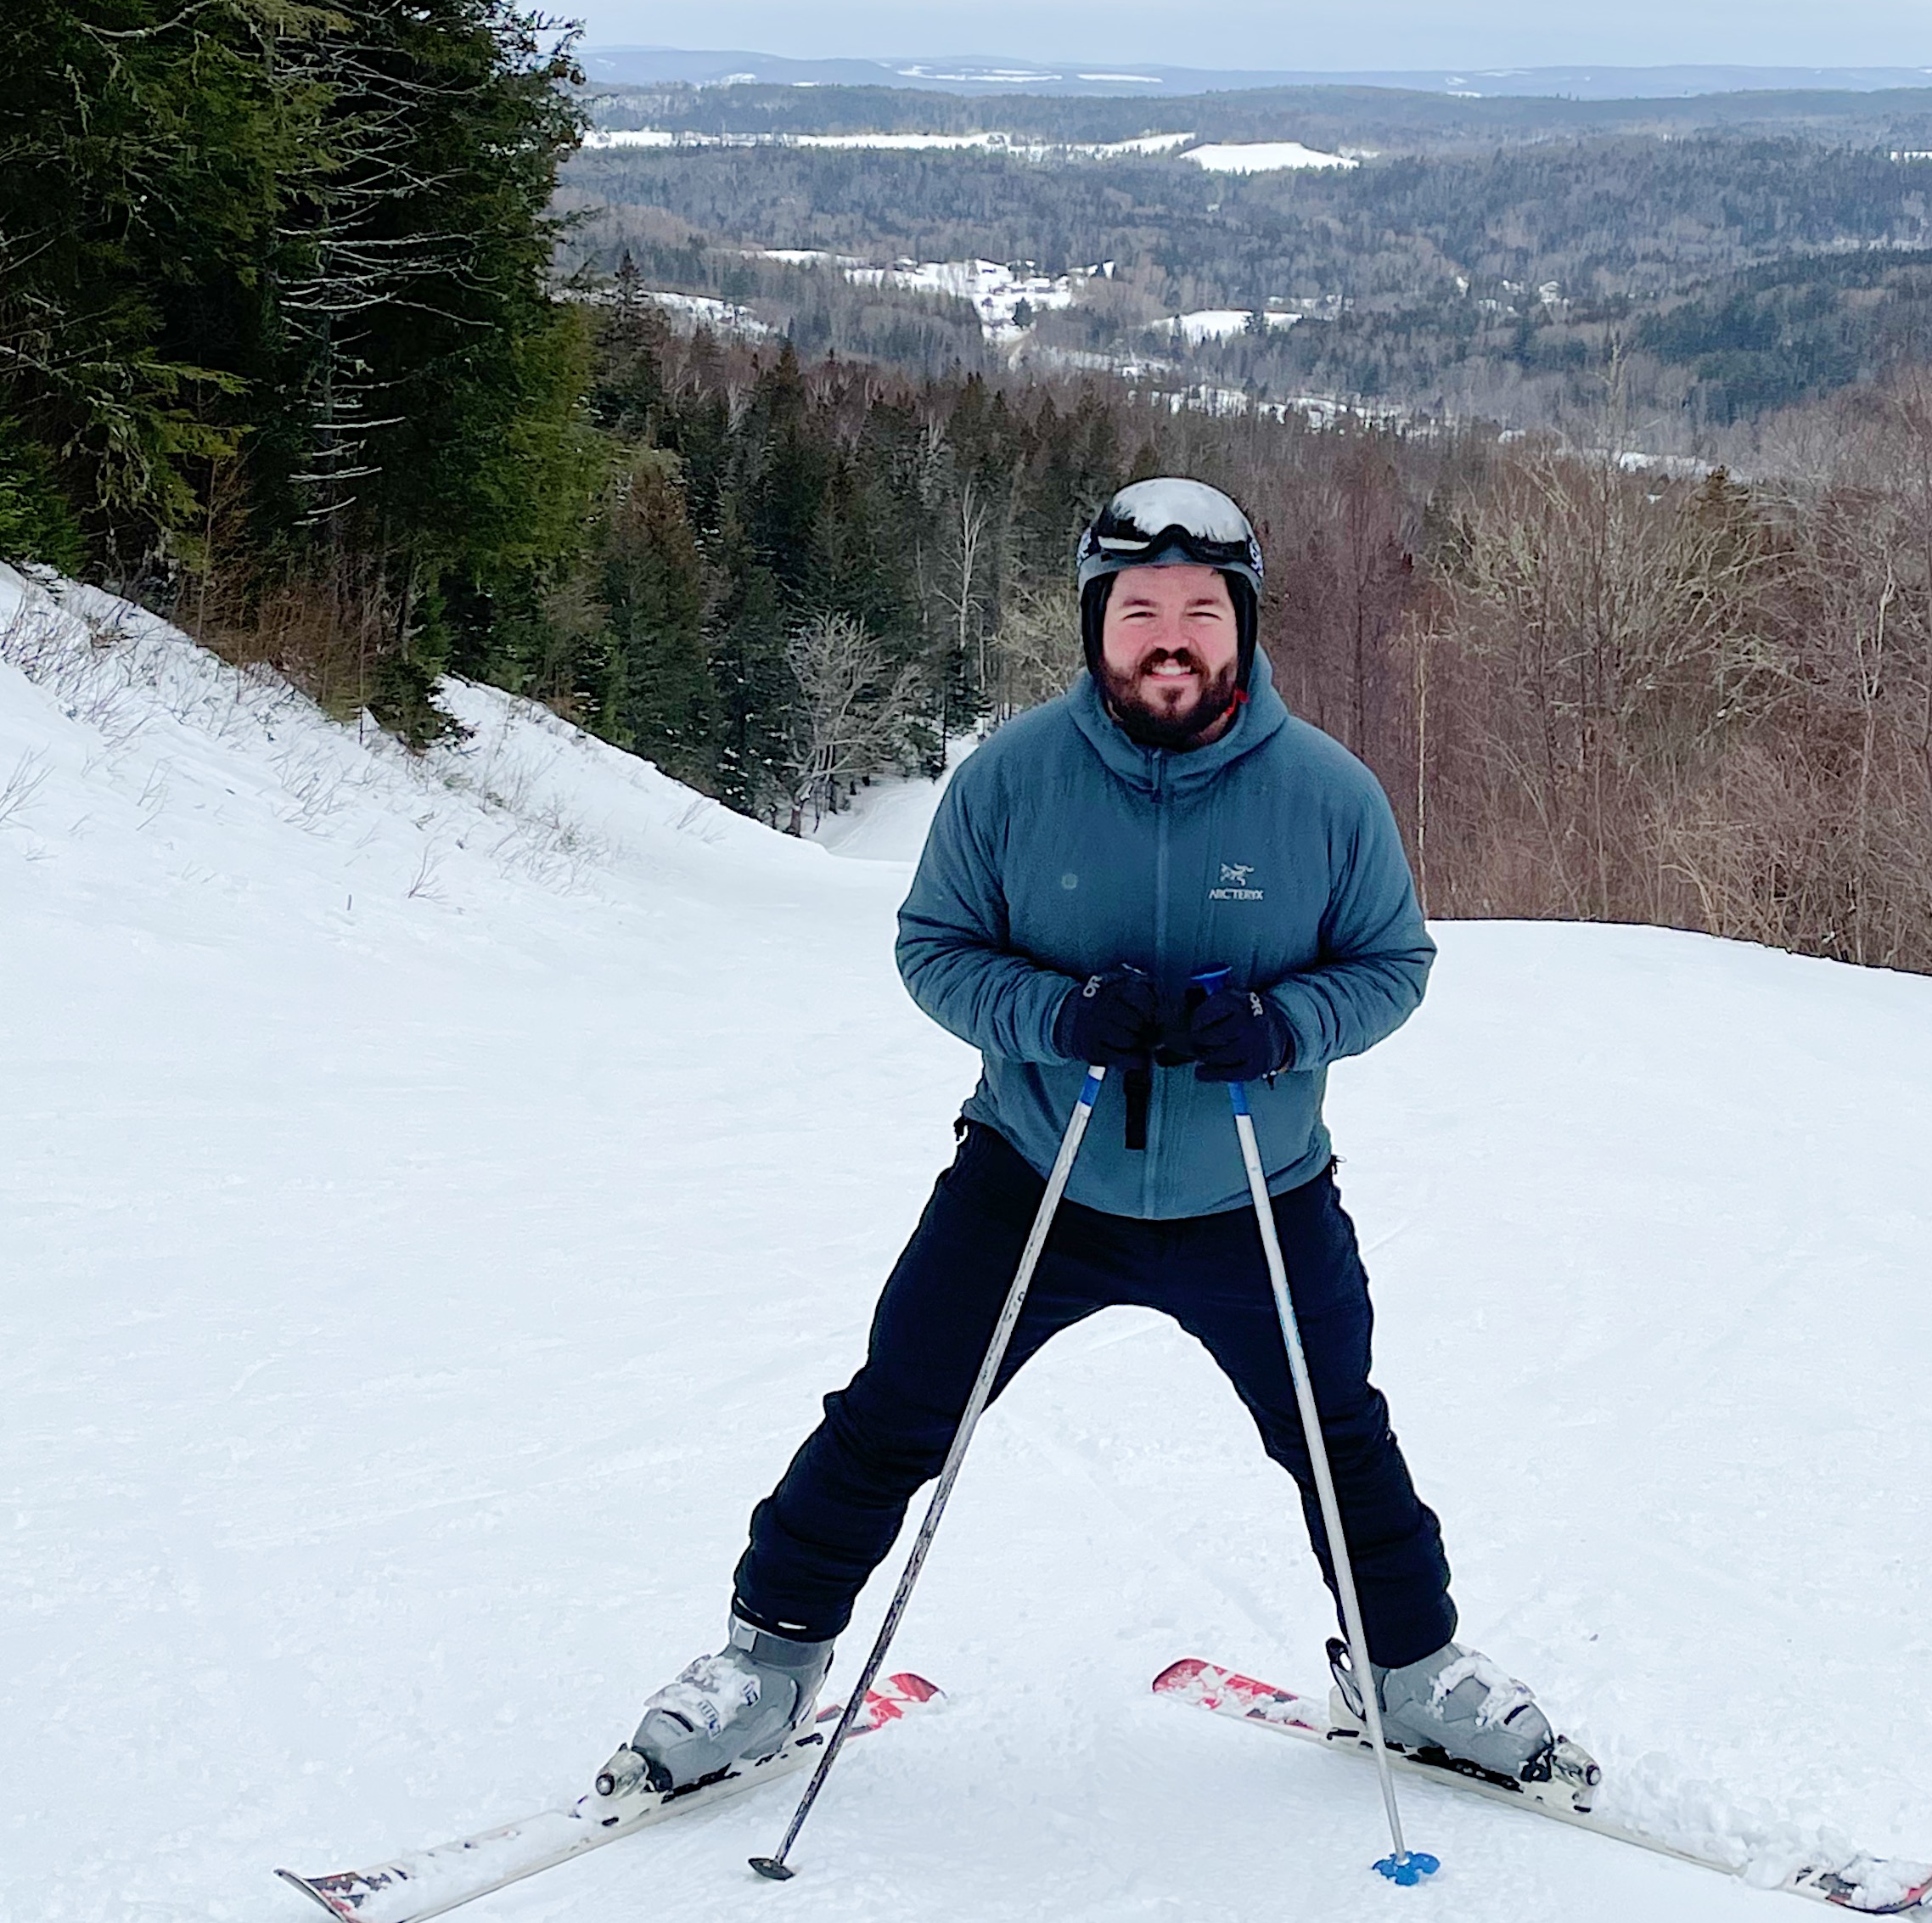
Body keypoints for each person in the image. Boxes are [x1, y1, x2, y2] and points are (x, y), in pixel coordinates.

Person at [623, 477, 1587, 1803]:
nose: (1171, 636)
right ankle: (770, 1660)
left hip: (1255, 1182)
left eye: (1202, 609)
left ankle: (1410, 1671)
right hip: (1036, 1168)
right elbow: (934, 949)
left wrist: (1283, 1024)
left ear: (1243, 625)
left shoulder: (1329, 795)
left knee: (1335, 1431)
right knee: (897, 1410)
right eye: (1140, 609)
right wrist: (1056, 1014)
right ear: (1099, 625)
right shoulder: (1013, 779)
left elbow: (1393, 965)